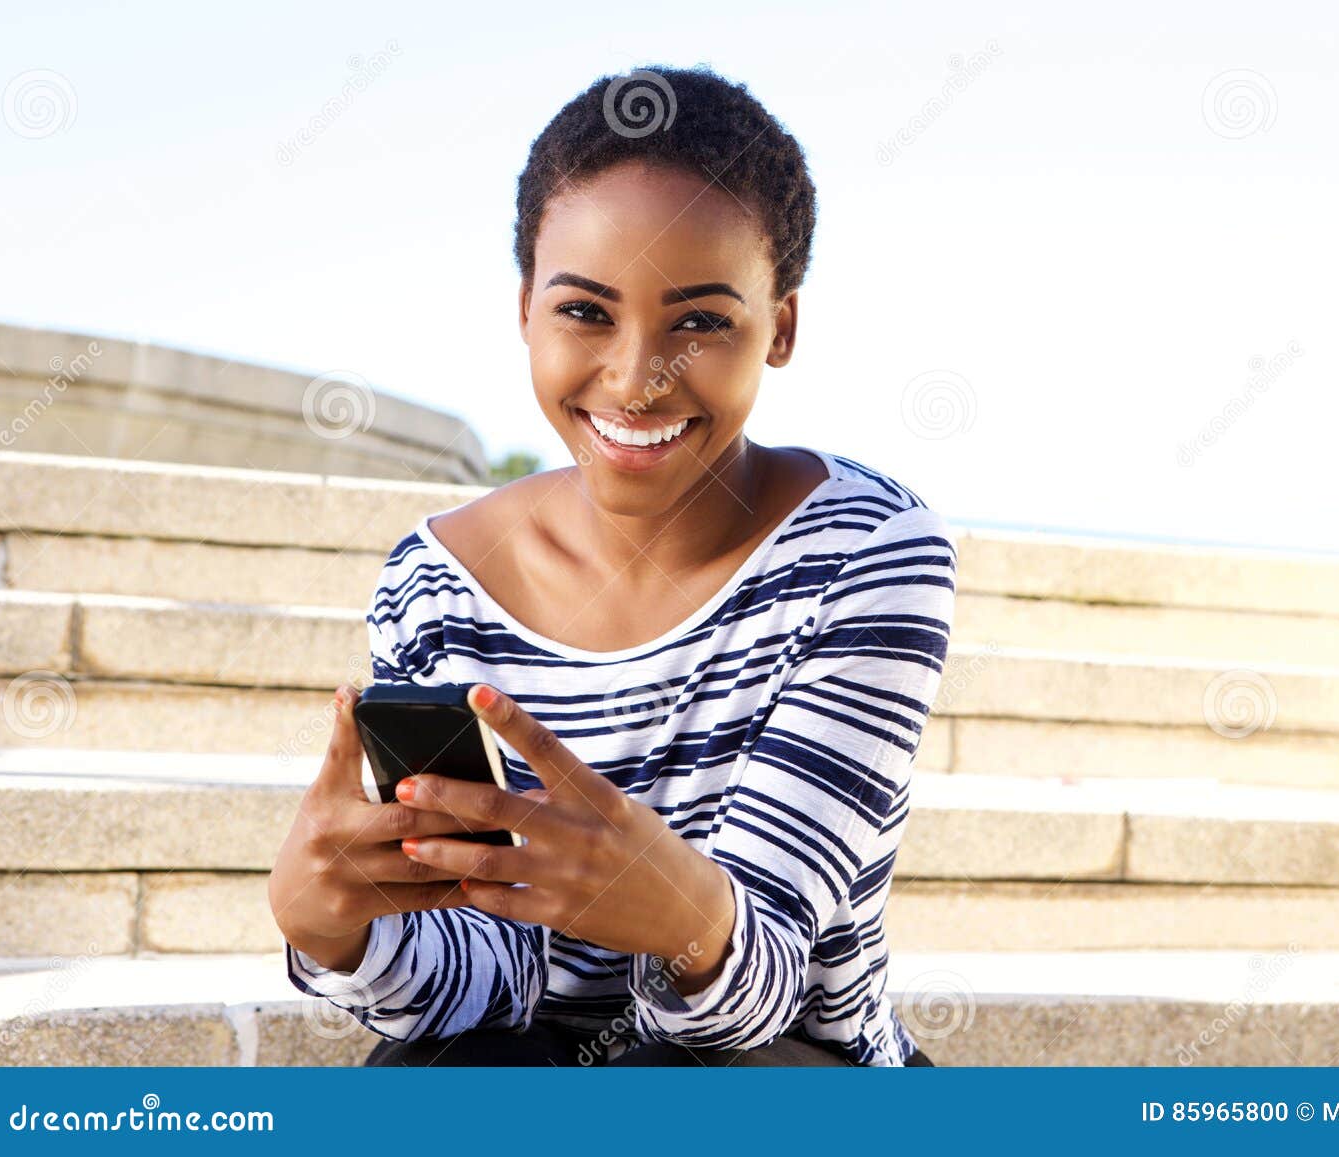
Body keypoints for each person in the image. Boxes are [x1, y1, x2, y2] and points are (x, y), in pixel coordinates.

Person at [267, 63, 956, 1068]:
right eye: (585, 311)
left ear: (782, 328)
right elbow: (477, 987)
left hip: (783, 1068)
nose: (636, 378)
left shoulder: (865, 552)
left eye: (701, 320)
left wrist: (678, 910)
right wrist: (333, 927)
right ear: (525, 310)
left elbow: (755, 999)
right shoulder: (435, 576)